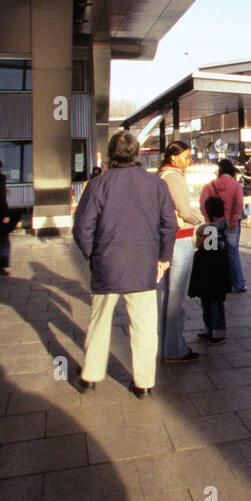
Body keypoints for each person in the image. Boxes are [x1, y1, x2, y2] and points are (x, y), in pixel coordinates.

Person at [73, 130, 175, 397]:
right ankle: (143, 383)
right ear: (137, 153)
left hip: (107, 263)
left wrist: (91, 254)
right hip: (143, 265)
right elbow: (169, 224)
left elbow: (82, 226)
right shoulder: (156, 184)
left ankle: (91, 377)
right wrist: (163, 258)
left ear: (110, 154)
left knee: (99, 322)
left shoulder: (98, 184)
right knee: (143, 325)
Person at [157, 141, 204, 363]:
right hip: (180, 239)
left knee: (167, 296)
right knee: (176, 298)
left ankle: (168, 346)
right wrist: (201, 221)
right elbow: (184, 211)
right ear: (174, 157)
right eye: (186, 157)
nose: (189, 162)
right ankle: (175, 350)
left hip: (166, 240)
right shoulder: (174, 177)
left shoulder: (161, 175)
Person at [189, 194, 232, 345]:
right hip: (213, 282)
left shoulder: (211, 234)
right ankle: (210, 329)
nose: (198, 240)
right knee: (209, 306)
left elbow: (203, 264)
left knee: (212, 306)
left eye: (199, 238)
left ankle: (217, 332)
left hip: (212, 282)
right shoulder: (221, 228)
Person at [200, 159, 246, 294]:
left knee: (213, 252)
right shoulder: (236, 186)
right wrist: (232, 221)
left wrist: (209, 220)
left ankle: (216, 283)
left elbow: (202, 204)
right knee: (233, 253)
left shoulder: (210, 185)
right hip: (231, 224)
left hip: (213, 223)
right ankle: (238, 284)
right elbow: (238, 204)